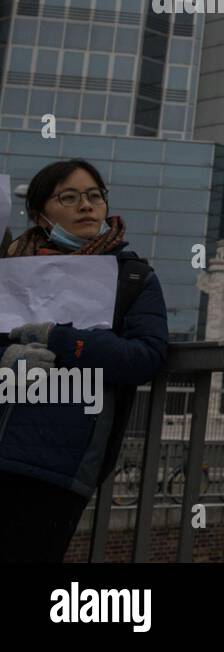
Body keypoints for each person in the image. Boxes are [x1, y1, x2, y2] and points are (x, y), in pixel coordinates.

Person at [0, 159, 169, 562]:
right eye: (70, 197)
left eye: (95, 196)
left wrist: (62, 339)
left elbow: (144, 356)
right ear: (40, 213)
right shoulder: (9, 269)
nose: (87, 206)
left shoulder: (133, 278)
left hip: (57, 464)